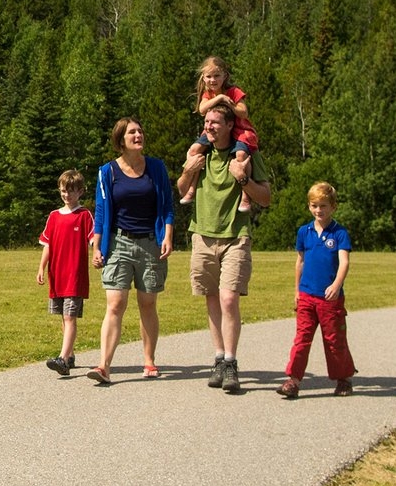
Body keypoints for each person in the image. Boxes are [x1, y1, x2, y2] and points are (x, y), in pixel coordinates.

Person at [179, 104, 271, 393]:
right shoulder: (200, 155)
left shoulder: (247, 155)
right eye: (206, 121)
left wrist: (242, 178)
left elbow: (265, 198)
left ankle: (231, 362)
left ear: (231, 125)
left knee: (229, 299)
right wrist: (187, 171)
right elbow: (182, 190)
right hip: (202, 235)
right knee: (211, 299)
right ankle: (219, 358)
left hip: (235, 235)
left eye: (216, 122)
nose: (209, 127)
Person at [86, 117, 175, 386]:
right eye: (132, 132)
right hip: (119, 244)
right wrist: (97, 246)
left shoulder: (156, 168)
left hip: (150, 243)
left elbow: (168, 206)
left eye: (140, 131)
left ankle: (148, 361)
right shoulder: (107, 172)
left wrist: (167, 236)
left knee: (147, 304)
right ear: (120, 140)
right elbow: (101, 212)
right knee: (115, 304)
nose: (138, 135)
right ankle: (104, 366)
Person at [278, 182, 357, 398]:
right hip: (306, 296)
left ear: (333, 207)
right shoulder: (304, 232)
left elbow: (344, 262)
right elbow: (300, 262)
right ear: (309, 206)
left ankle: (344, 379)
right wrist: (297, 290)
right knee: (302, 338)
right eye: (314, 205)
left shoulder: (339, 233)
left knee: (334, 340)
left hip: (330, 299)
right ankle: (293, 380)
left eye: (323, 206)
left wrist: (336, 284)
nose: (319, 210)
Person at [178, 56, 259, 205]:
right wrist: (220, 98)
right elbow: (202, 109)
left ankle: (245, 196)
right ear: (203, 78)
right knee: (195, 150)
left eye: (216, 76)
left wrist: (232, 105)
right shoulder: (209, 94)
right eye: (208, 77)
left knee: (241, 154)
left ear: (224, 76)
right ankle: (192, 188)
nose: (212, 80)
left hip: (238, 129)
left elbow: (244, 112)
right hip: (214, 129)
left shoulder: (233, 92)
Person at [37, 169, 95, 377]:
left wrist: (98, 253)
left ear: (80, 192)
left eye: (71, 191)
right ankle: (69, 355)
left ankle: (62, 359)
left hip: (74, 276)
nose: (66, 195)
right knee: (64, 317)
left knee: (70, 317)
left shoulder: (84, 215)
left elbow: (93, 239)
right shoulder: (53, 217)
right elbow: (48, 245)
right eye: (63, 191)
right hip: (57, 276)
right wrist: (42, 268)